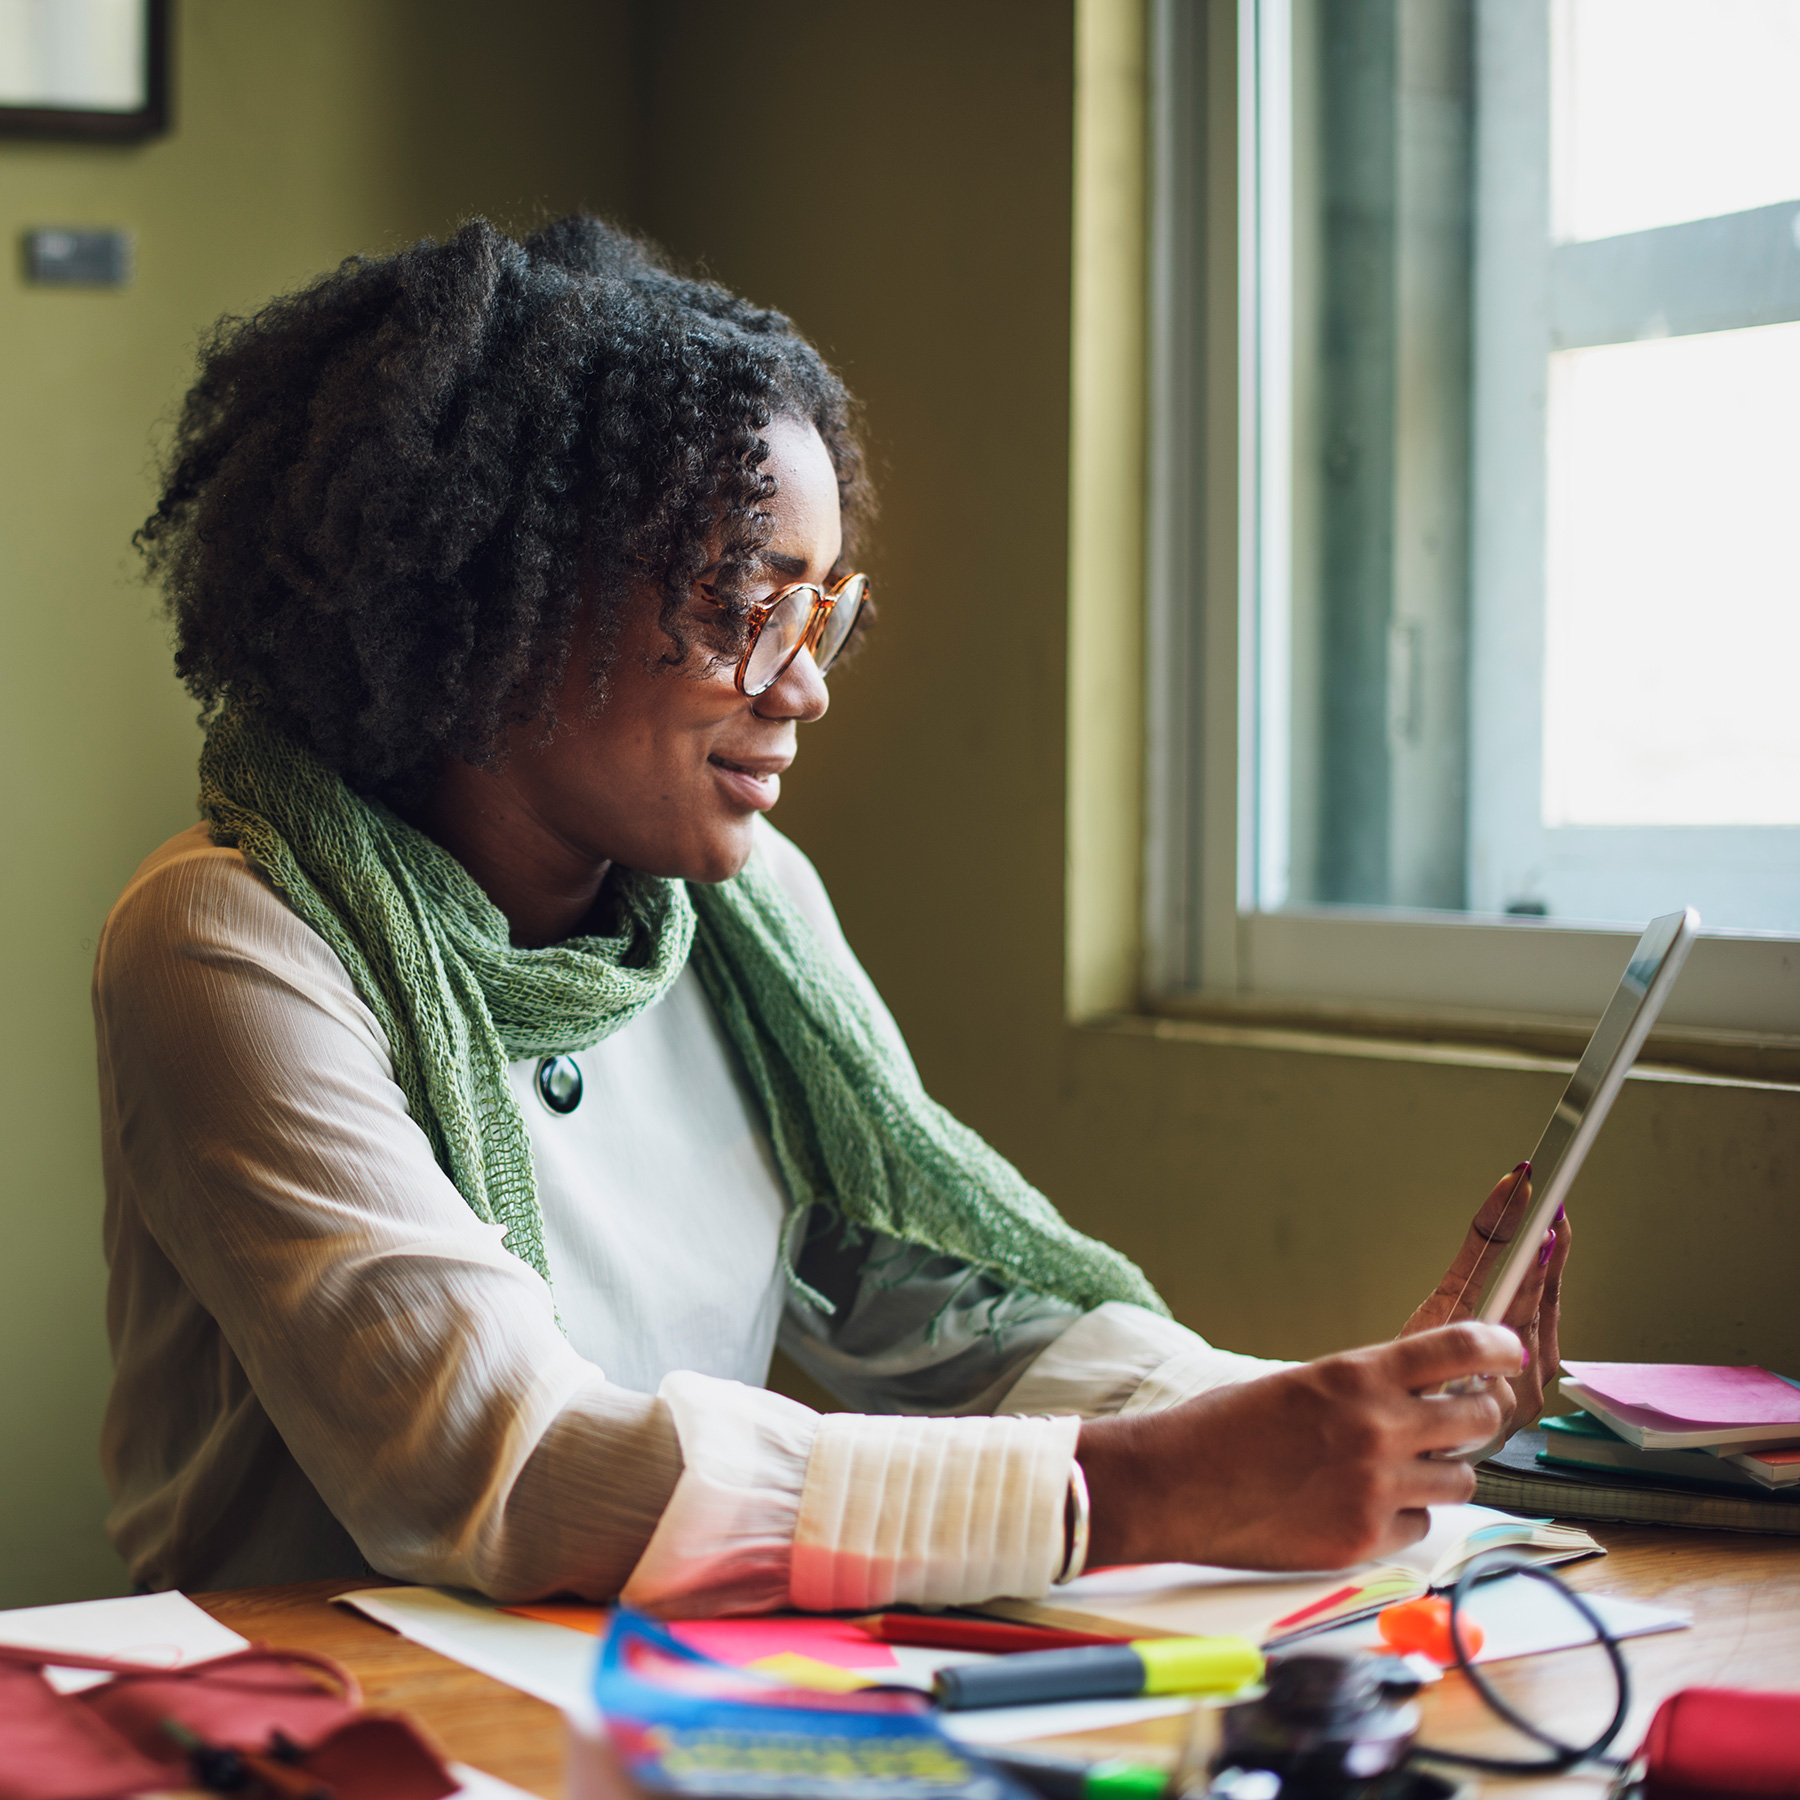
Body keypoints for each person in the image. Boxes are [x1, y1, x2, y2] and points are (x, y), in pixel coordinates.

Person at [95, 216, 1567, 1611]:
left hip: (610, 1693)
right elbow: (504, 1461)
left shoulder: (746, 917)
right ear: (496, 608)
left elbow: (935, 1316)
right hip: (311, 1728)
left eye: (823, 613)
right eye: (747, 608)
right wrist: (1135, 1489)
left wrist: (1332, 1418)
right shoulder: (227, 943)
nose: (803, 687)